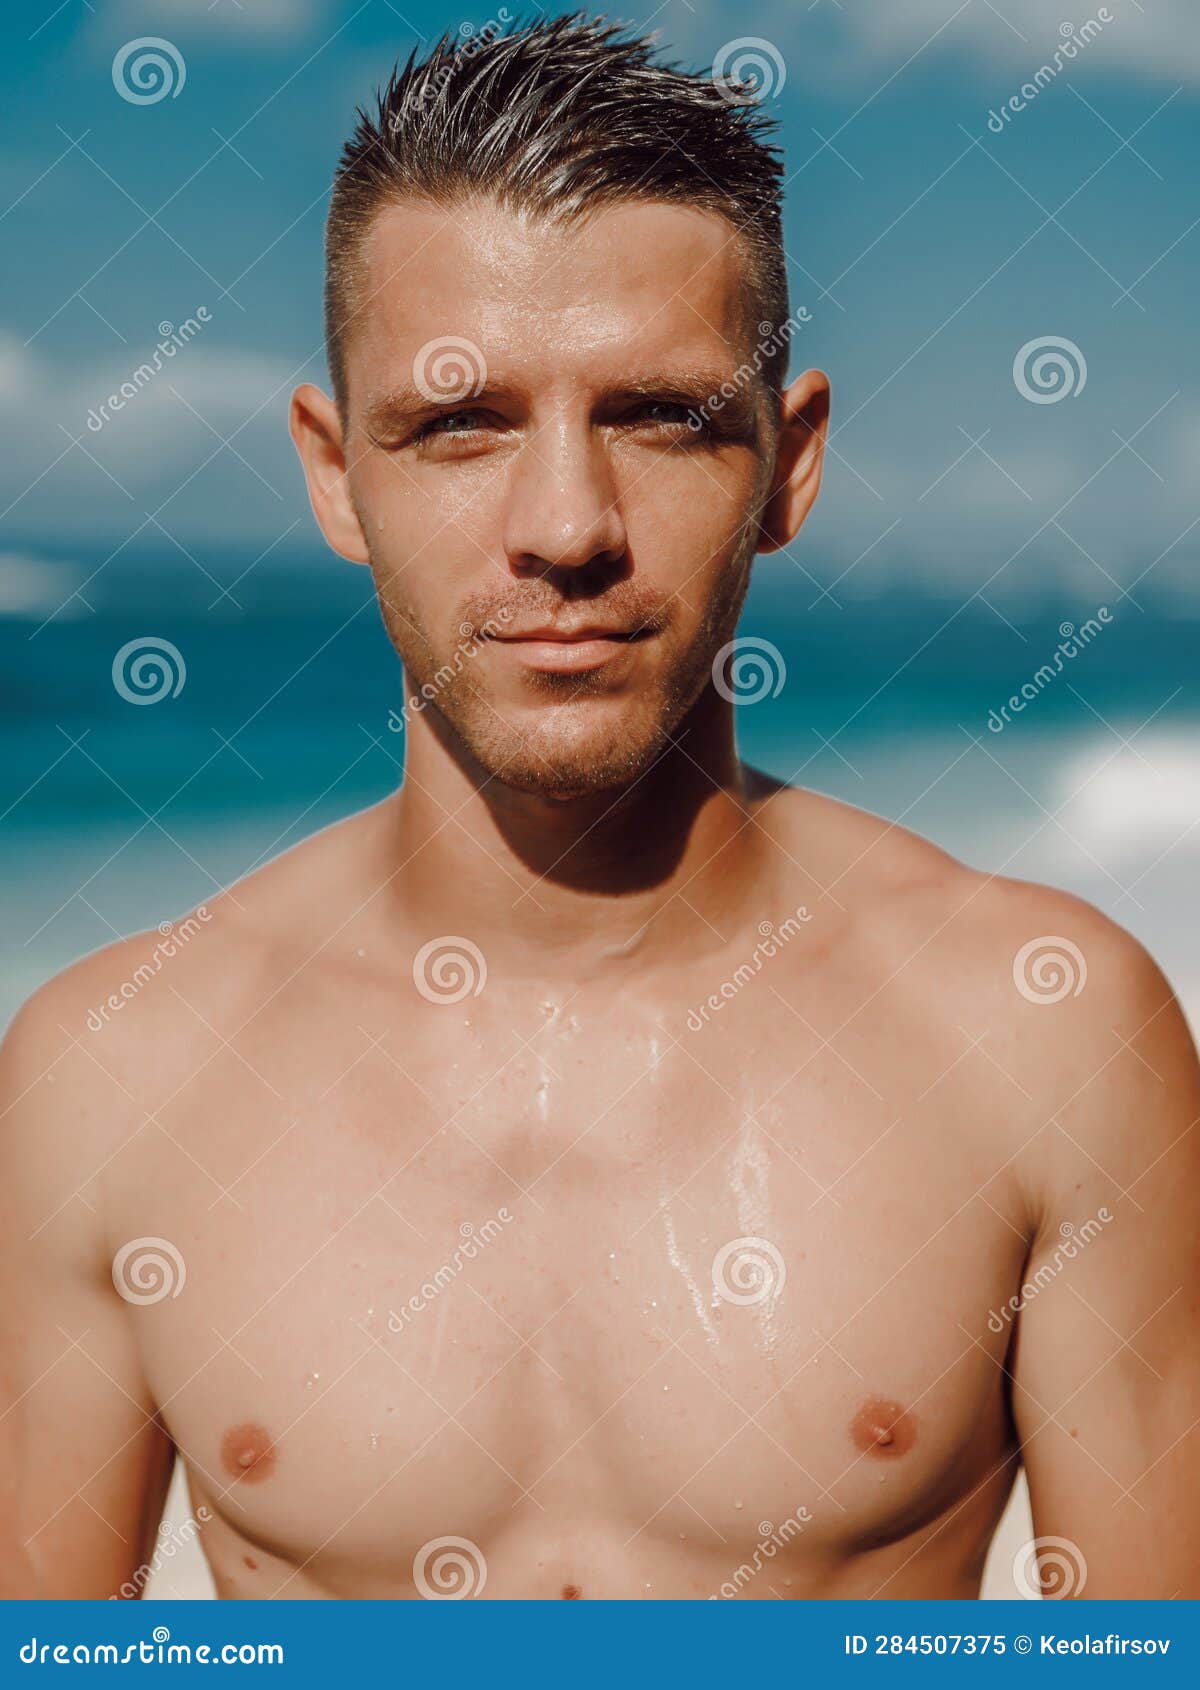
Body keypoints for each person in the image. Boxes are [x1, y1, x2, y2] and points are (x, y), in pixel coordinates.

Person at [2, 14, 1197, 1602]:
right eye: (461, 424)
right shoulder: (109, 1074)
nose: (566, 526)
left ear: (791, 461)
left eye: (662, 416)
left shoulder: (1045, 1032)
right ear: (333, 471)